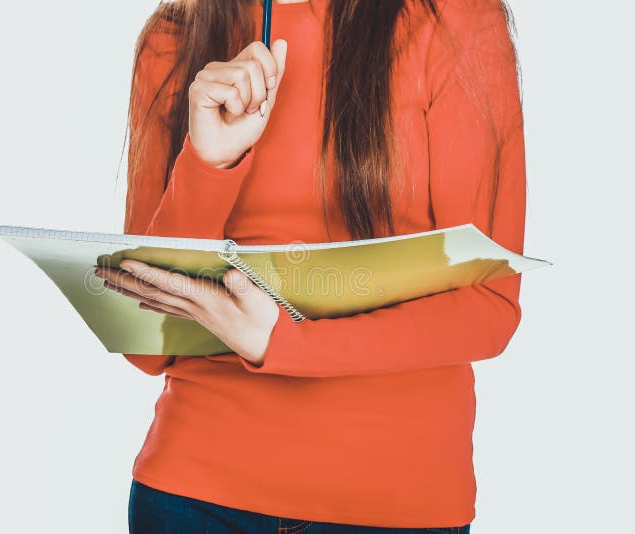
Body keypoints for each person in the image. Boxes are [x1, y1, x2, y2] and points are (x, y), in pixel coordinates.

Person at [97, 0, 526, 531]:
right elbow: (146, 342)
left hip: (395, 508)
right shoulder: (176, 34)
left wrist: (281, 342)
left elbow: (487, 307)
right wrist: (209, 164)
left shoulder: (454, 21)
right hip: (193, 498)